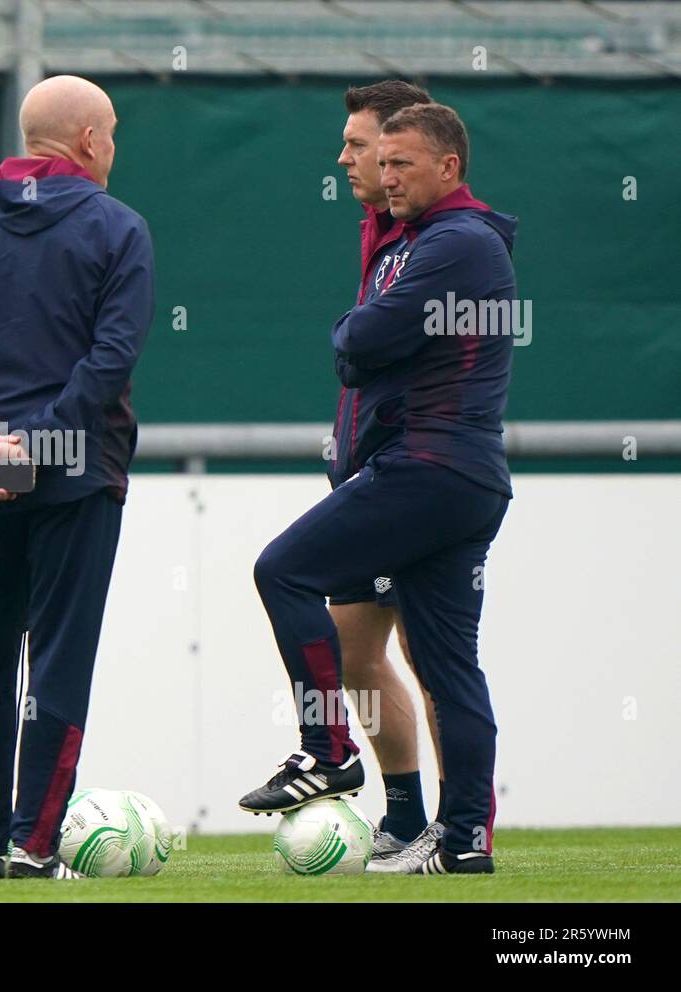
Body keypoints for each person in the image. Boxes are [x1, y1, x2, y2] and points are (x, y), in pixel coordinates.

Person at [240, 103, 518, 875]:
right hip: (456, 479)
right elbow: (369, 346)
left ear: (449, 168)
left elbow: (361, 341)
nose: (383, 176)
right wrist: (364, 343)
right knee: (446, 667)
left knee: (282, 569)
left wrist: (358, 337)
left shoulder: (457, 241)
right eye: (378, 160)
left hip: (427, 471)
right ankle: (461, 843)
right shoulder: (425, 239)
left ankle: (327, 751)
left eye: (400, 163)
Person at [0, 74, 155, 879]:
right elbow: (109, 360)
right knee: (59, 664)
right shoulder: (119, 228)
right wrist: (37, 446)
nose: (112, 146)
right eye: (110, 132)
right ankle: (35, 846)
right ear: (87, 140)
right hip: (79, 478)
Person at [332, 80, 446, 860]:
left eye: (357, 144)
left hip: (416, 479)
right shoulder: (383, 233)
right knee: (352, 647)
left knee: (435, 654)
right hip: (365, 475)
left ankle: (464, 817)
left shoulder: (441, 240)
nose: (343, 158)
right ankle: (402, 813)